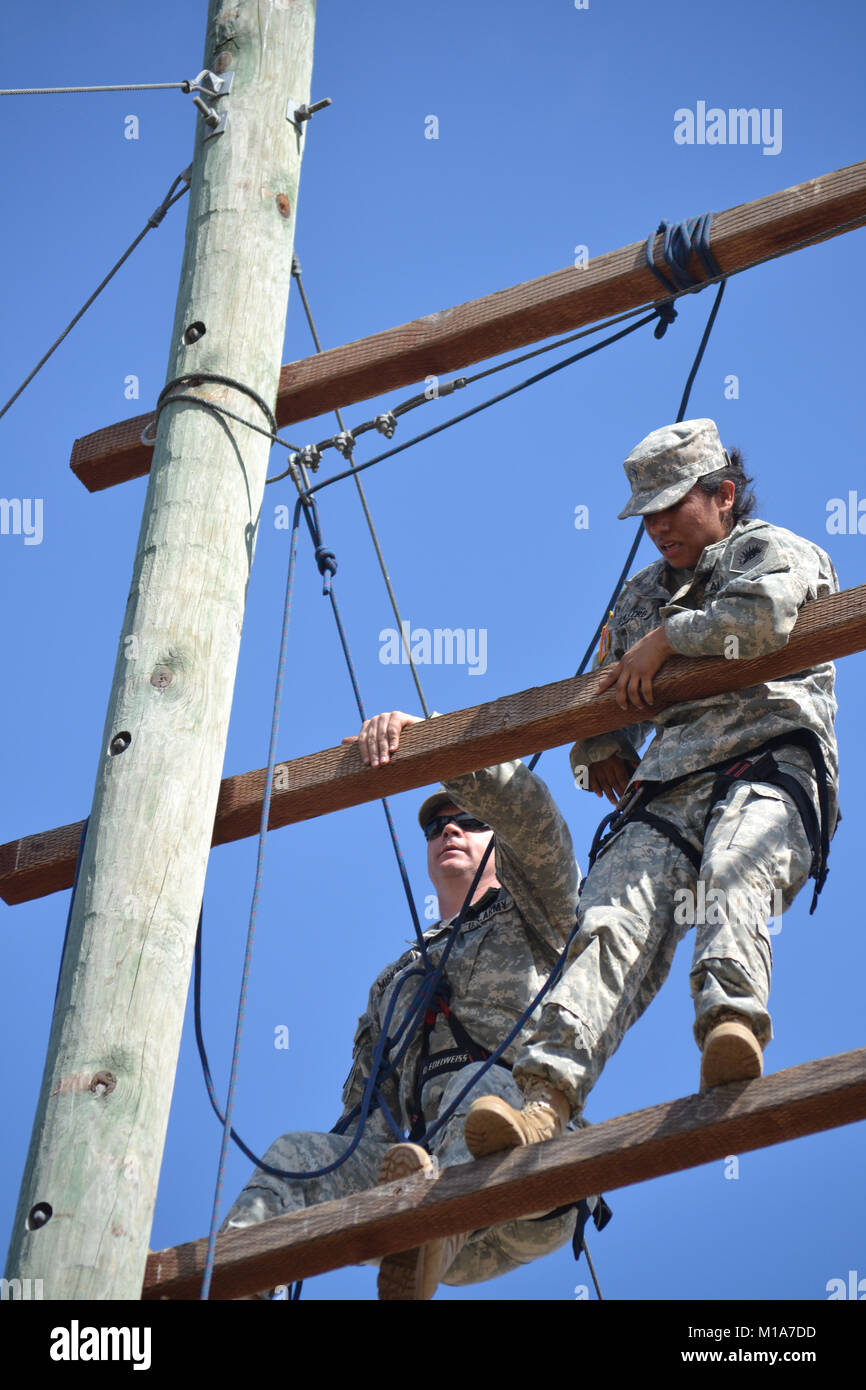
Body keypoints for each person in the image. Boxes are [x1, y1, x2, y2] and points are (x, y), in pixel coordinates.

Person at [462, 417, 840, 1159]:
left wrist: (669, 639)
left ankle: (731, 1022)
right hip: (667, 787)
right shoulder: (639, 598)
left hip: (766, 756)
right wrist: (601, 745)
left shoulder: (770, 550)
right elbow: (611, 694)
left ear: (724, 494)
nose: (659, 528)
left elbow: (761, 616)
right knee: (609, 922)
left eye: (673, 508)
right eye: (649, 517)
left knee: (735, 875)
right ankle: (545, 1097)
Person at [222, 727, 590, 1299]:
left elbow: (534, 820)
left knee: (481, 1084)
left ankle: (432, 1227)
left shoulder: (540, 916)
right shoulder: (396, 982)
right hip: (413, 1184)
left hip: (523, 1174)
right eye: (436, 826)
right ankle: (235, 1287)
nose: (449, 828)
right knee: (294, 1155)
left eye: (470, 820)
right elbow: (367, 1110)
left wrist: (436, 741)